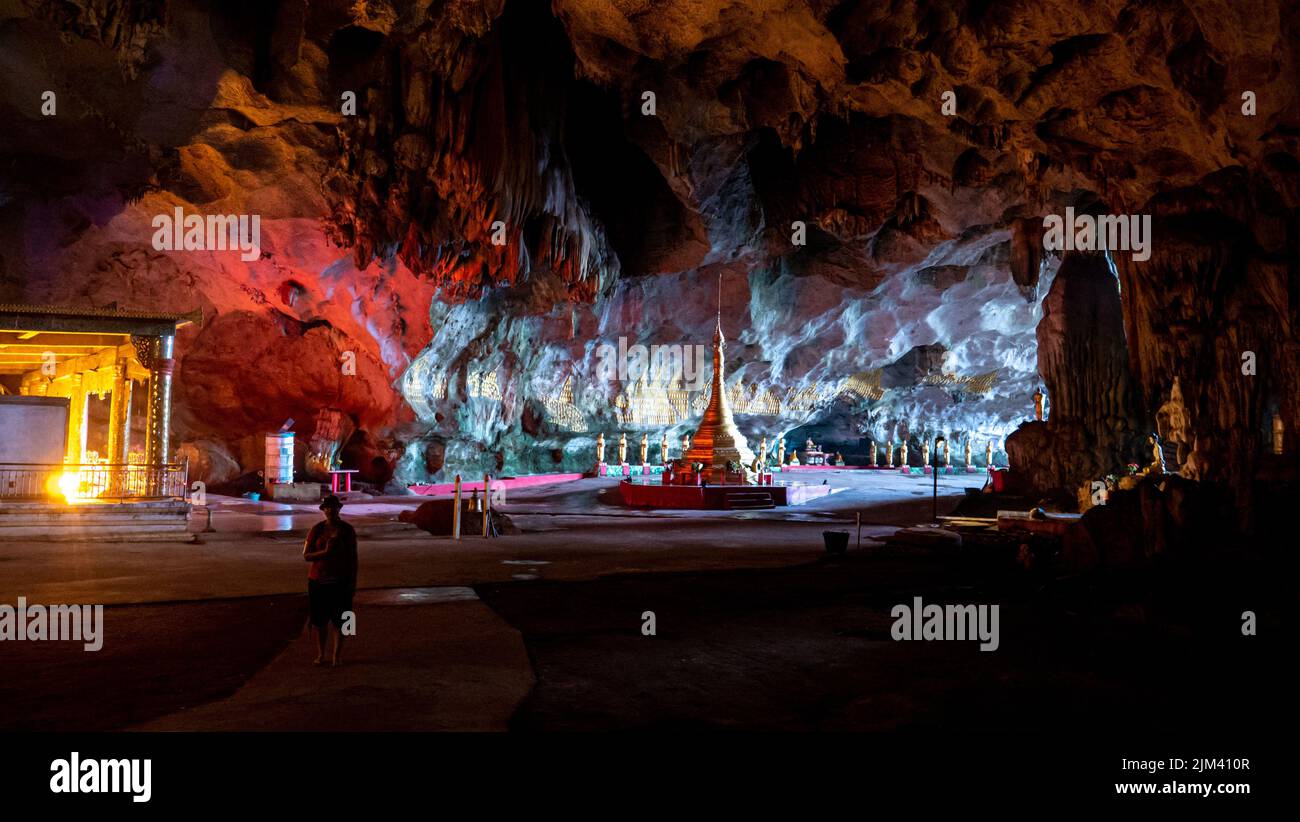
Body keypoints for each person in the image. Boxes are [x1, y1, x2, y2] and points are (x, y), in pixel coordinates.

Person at [303, 495, 358, 666]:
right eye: (327, 508)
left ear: (339, 509)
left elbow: (353, 557)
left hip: (341, 580)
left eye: (333, 507)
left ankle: (337, 655)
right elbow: (306, 555)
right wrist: (325, 553)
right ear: (323, 510)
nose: (330, 511)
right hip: (319, 580)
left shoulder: (347, 530)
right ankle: (321, 654)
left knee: (342, 619)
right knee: (319, 621)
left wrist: (353, 582)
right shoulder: (317, 529)